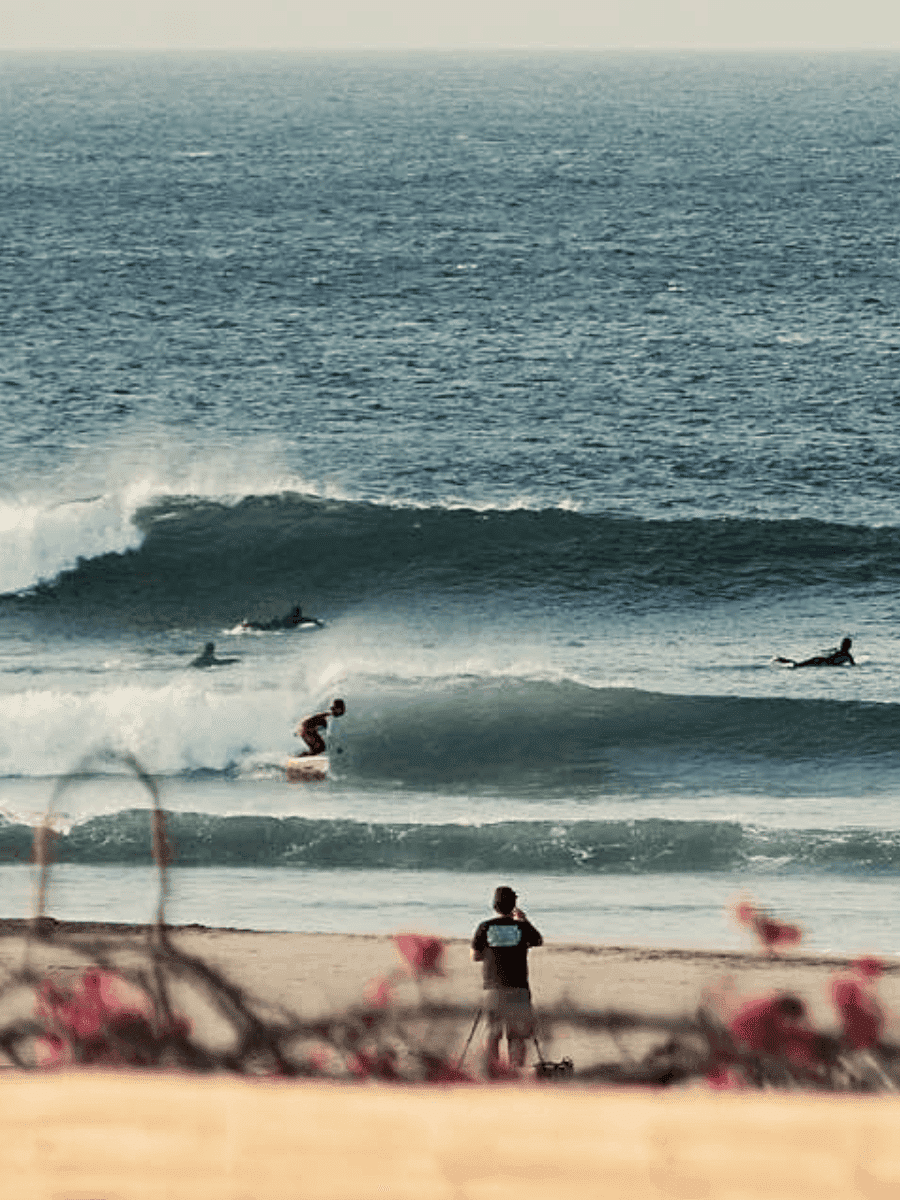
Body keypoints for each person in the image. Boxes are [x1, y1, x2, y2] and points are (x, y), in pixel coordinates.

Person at [470, 886, 543, 1071]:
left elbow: (475, 956)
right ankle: (515, 1070)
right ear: (513, 905)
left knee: (492, 1032)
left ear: (494, 905)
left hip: (492, 986)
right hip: (518, 987)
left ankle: (493, 1069)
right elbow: (538, 940)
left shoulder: (485, 927)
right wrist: (524, 920)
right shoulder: (522, 927)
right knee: (517, 1034)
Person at [775, 637, 855, 668]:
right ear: (849, 646)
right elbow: (853, 665)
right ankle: (783, 661)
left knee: (799, 665)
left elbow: (828, 652)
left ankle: (782, 660)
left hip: (820, 660)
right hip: (822, 662)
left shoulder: (839, 651)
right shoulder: (847, 655)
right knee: (798, 665)